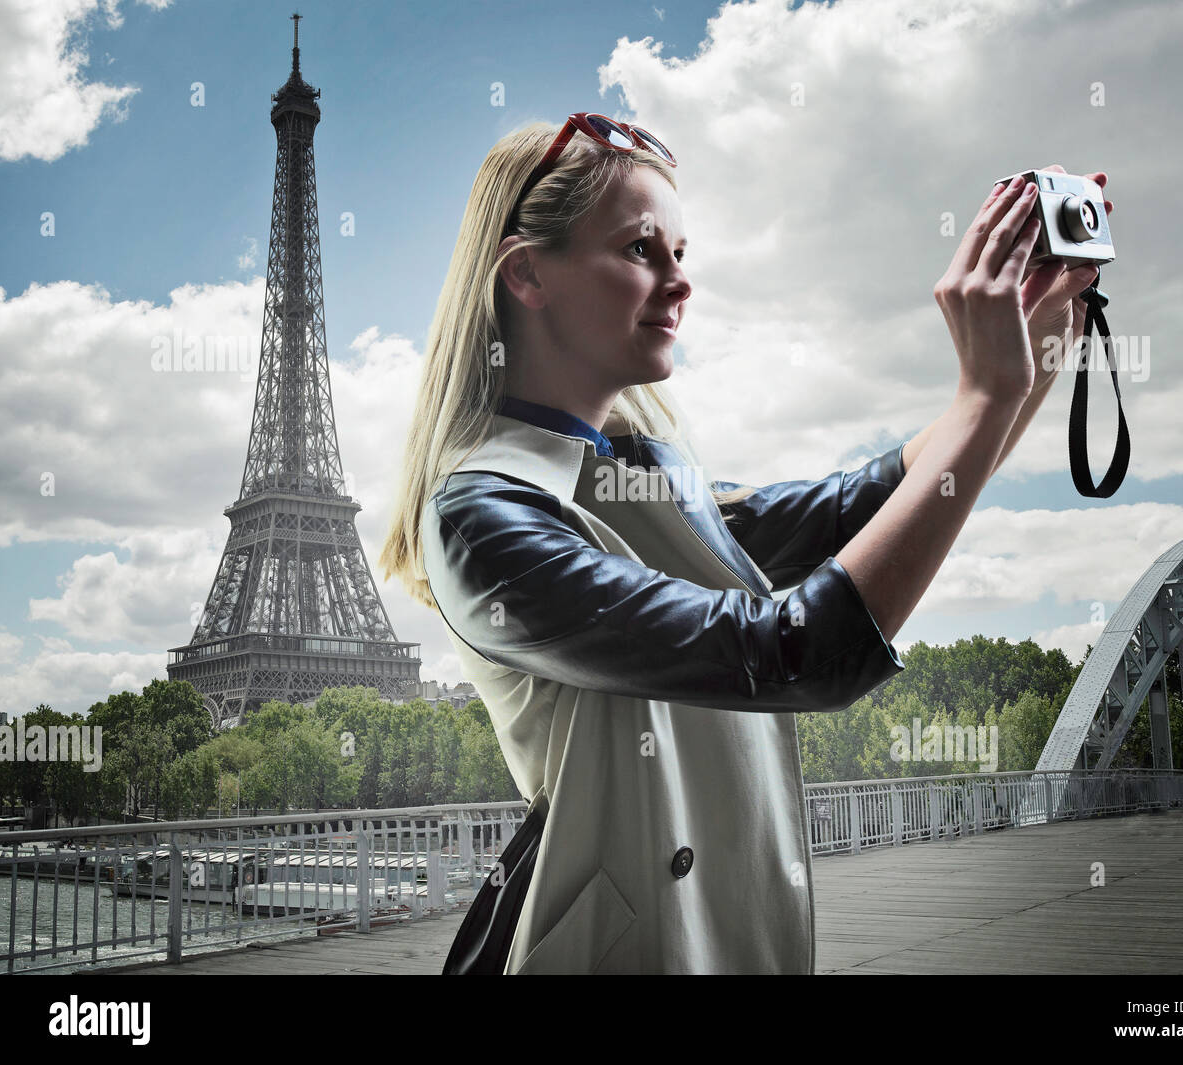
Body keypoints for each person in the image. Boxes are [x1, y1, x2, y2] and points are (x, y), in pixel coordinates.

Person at [378, 113, 1111, 974]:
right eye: (642, 250)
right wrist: (986, 398)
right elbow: (795, 649)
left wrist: (1040, 331)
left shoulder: (641, 469)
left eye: (681, 255)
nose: (680, 282)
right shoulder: (483, 513)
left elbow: (864, 502)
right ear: (528, 274)